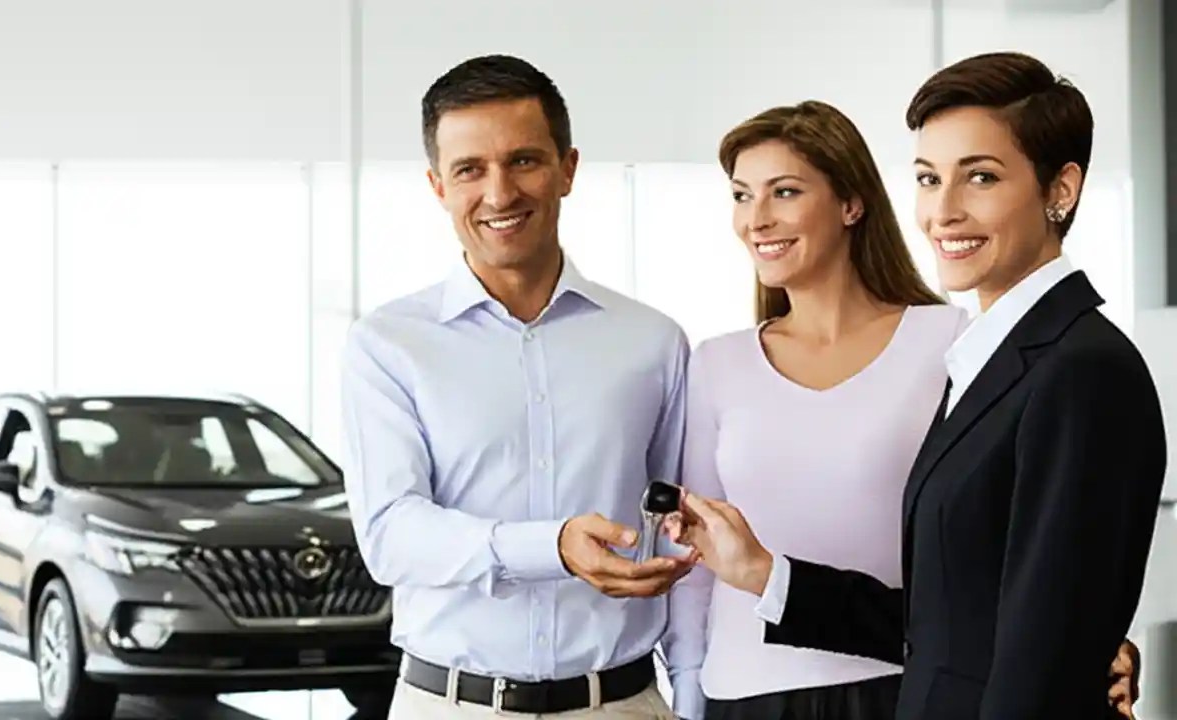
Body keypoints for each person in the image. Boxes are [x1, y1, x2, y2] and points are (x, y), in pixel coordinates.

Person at [670, 52, 1165, 720]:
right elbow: (945, 628)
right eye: (930, 180)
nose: (944, 211)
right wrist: (764, 573)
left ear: (1062, 189)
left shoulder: (1080, 369)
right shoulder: (986, 362)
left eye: (981, 177)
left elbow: (1039, 661)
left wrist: (1090, 649)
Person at [340, 54, 696, 719]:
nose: (500, 194)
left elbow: (684, 533)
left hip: (621, 705)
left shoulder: (653, 342)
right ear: (437, 185)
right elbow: (390, 532)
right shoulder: (388, 345)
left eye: (524, 161)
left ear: (568, 168)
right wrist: (551, 547)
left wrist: (694, 694)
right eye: (469, 169)